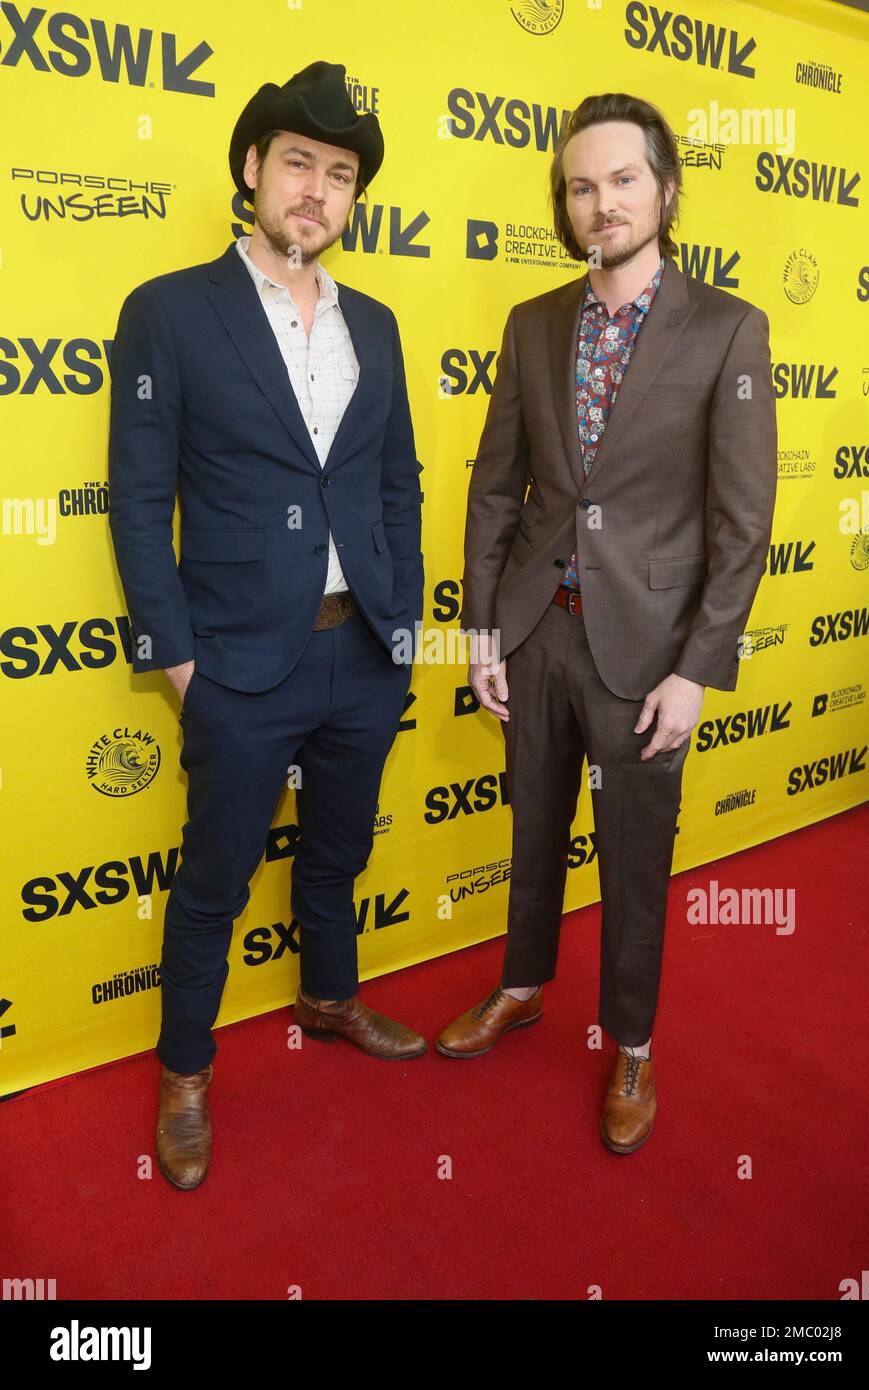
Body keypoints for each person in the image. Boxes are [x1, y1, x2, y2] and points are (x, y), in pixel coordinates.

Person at [439, 92, 777, 1155]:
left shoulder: (727, 328)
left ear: (665, 190)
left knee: (634, 858)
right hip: (536, 630)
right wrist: (484, 631)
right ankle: (524, 984)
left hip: (647, 656)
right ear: (564, 203)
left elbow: (744, 519)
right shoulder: (531, 323)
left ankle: (630, 1039)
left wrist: (697, 670)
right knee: (531, 832)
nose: (602, 203)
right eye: (581, 187)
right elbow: (496, 489)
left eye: (623, 179)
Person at [108, 62, 425, 1191]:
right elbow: (141, 501)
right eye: (298, 162)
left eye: (340, 175)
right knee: (213, 883)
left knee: (337, 855)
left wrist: (405, 625)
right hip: (236, 665)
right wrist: (181, 662)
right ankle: (186, 1072)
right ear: (251, 171)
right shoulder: (168, 311)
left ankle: (329, 997)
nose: (317, 191)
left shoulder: (378, 326)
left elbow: (397, 485)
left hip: (364, 652)